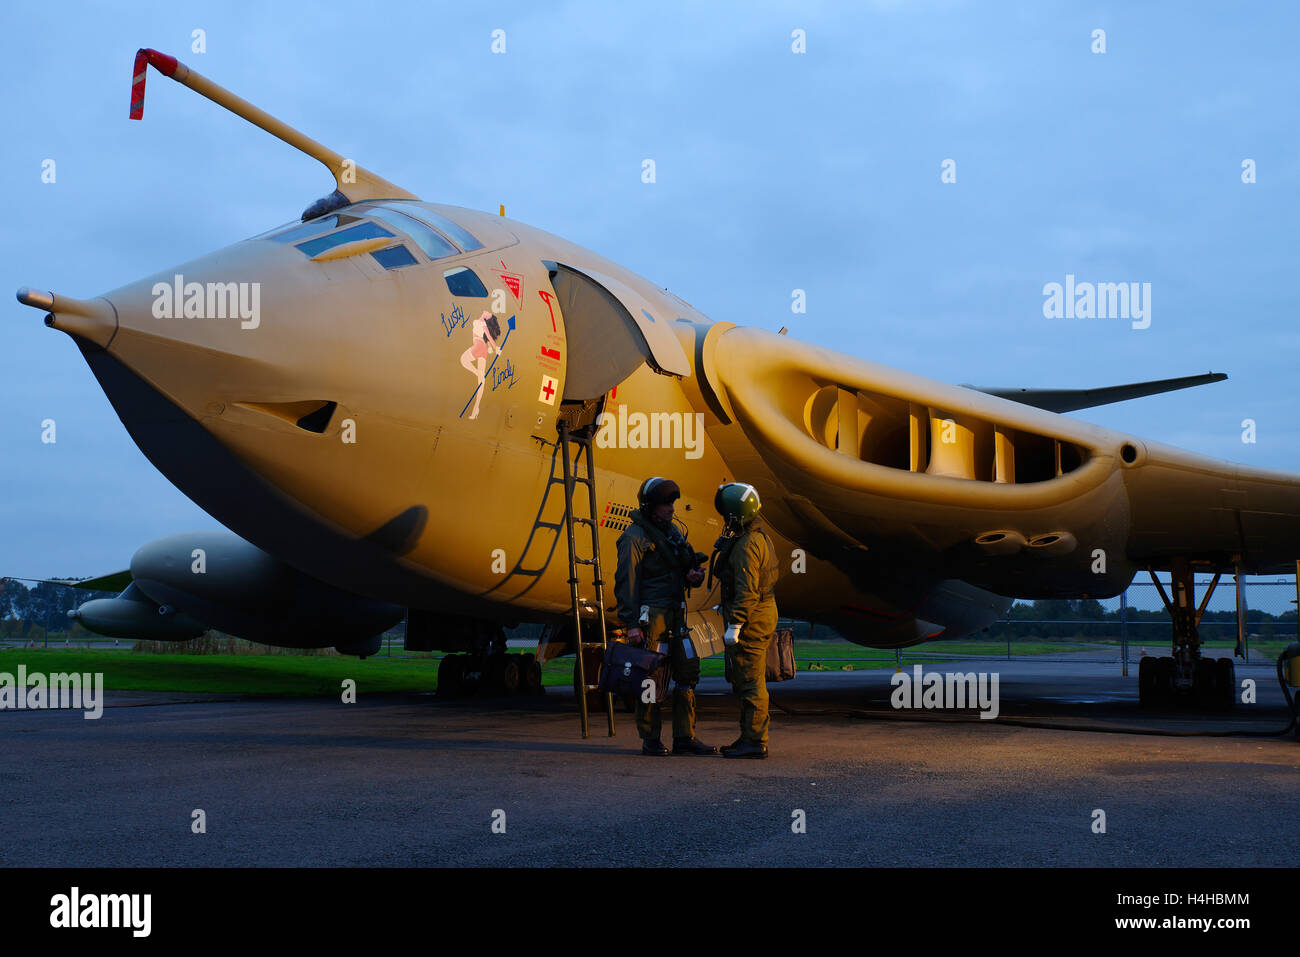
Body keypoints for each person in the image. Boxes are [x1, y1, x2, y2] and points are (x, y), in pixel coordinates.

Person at [613, 477, 715, 756]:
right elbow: (626, 582)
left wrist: (693, 577)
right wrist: (631, 624)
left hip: (677, 614)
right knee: (651, 676)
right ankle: (650, 738)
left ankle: (685, 737)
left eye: (672, 503)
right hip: (652, 617)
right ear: (650, 507)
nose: (671, 508)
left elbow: (683, 571)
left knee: (687, 674)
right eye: (665, 504)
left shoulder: (673, 534)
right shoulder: (634, 538)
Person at [711, 482, 780, 759]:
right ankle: (749, 736)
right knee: (747, 679)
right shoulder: (759, 536)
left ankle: (754, 741)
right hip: (760, 613)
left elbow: (747, 590)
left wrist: (736, 623)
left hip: (752, 618)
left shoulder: (747, 545)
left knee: (750, 682)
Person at [459, 310, 500, 420]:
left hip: (478, 346)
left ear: (487, 318)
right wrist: (491, 348)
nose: (487, 312)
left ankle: (476, 372)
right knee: (481, 382)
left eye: (489, 315)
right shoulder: (481, 323)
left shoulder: (482, 323)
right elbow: (487, 338)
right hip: (483, 349)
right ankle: (475, 410)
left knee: (463, 359)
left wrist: (496, 348)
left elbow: (489, 337)